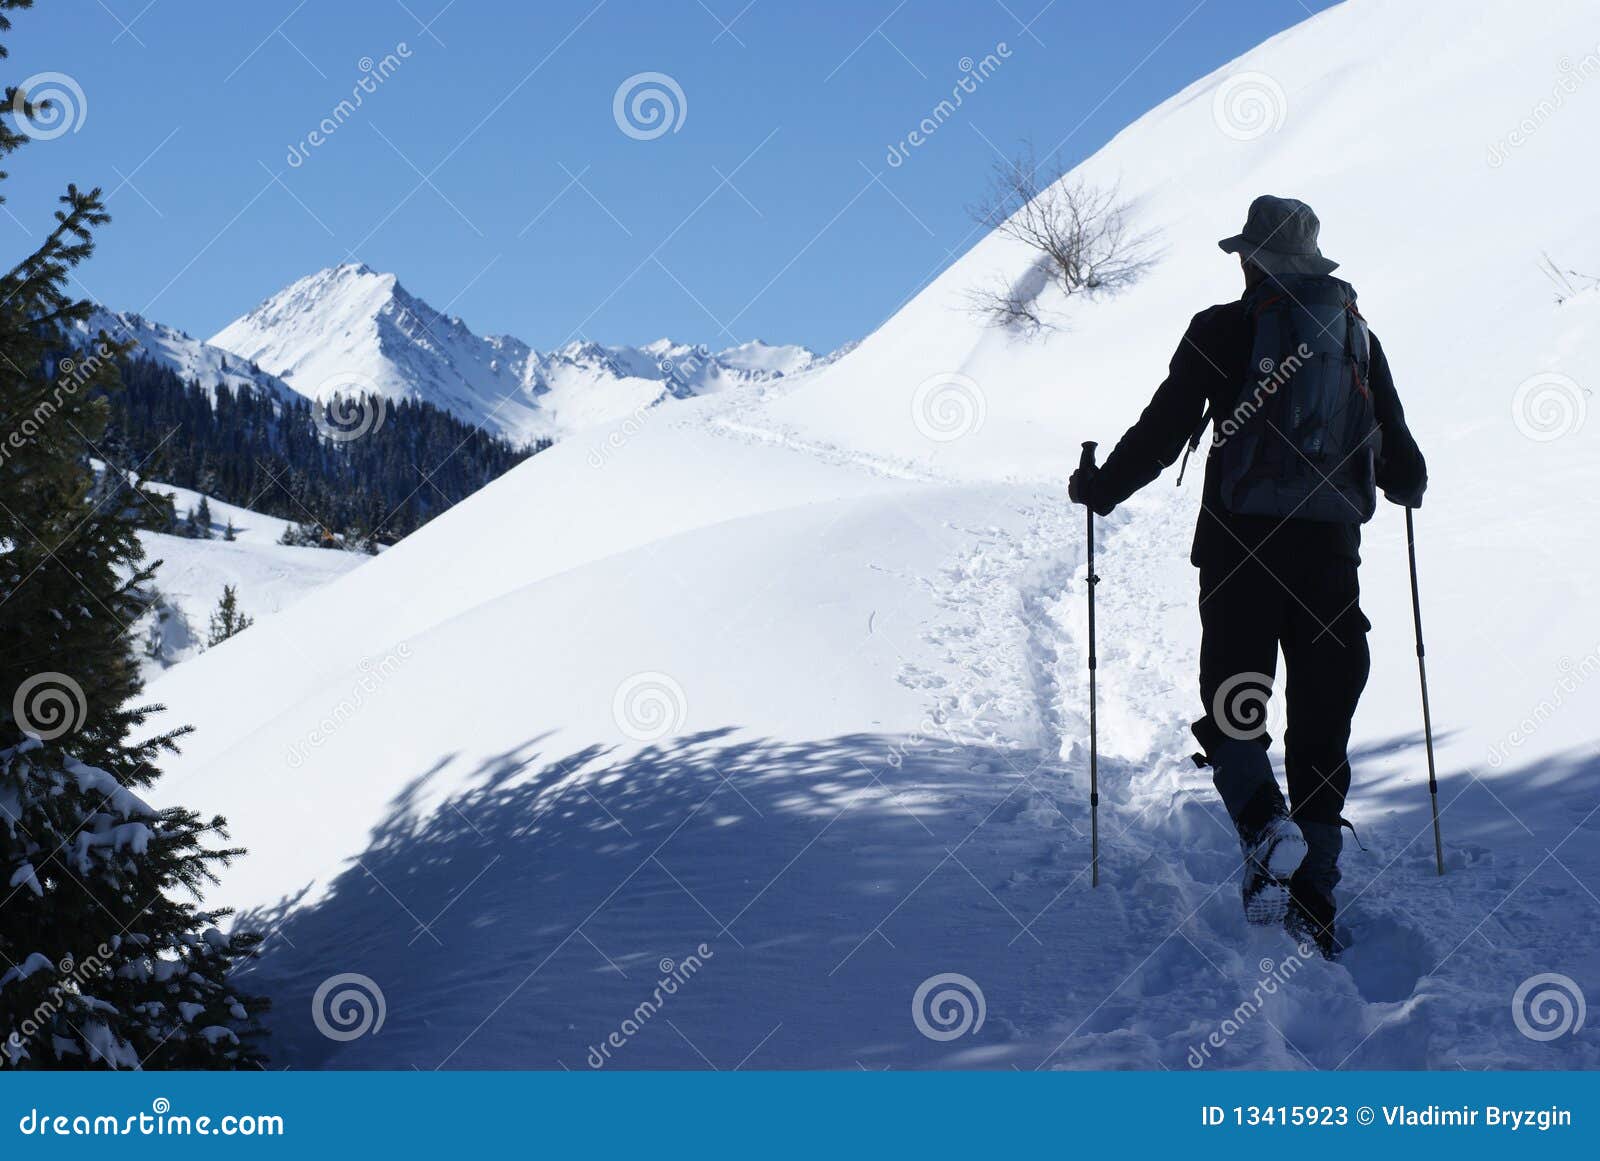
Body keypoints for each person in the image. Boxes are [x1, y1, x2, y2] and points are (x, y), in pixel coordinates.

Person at [1068, 195, 1427, 956]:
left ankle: (1267, 827)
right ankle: (1315, 891)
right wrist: (1404, 481)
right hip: (1331, 559)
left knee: (1236, 698)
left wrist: (1100, 488)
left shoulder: (1222, 328)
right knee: (1323, 711)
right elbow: (1403, 463)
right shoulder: (1357, 335)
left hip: (1240, 552)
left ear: (1253, 258)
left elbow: (1163, 431)